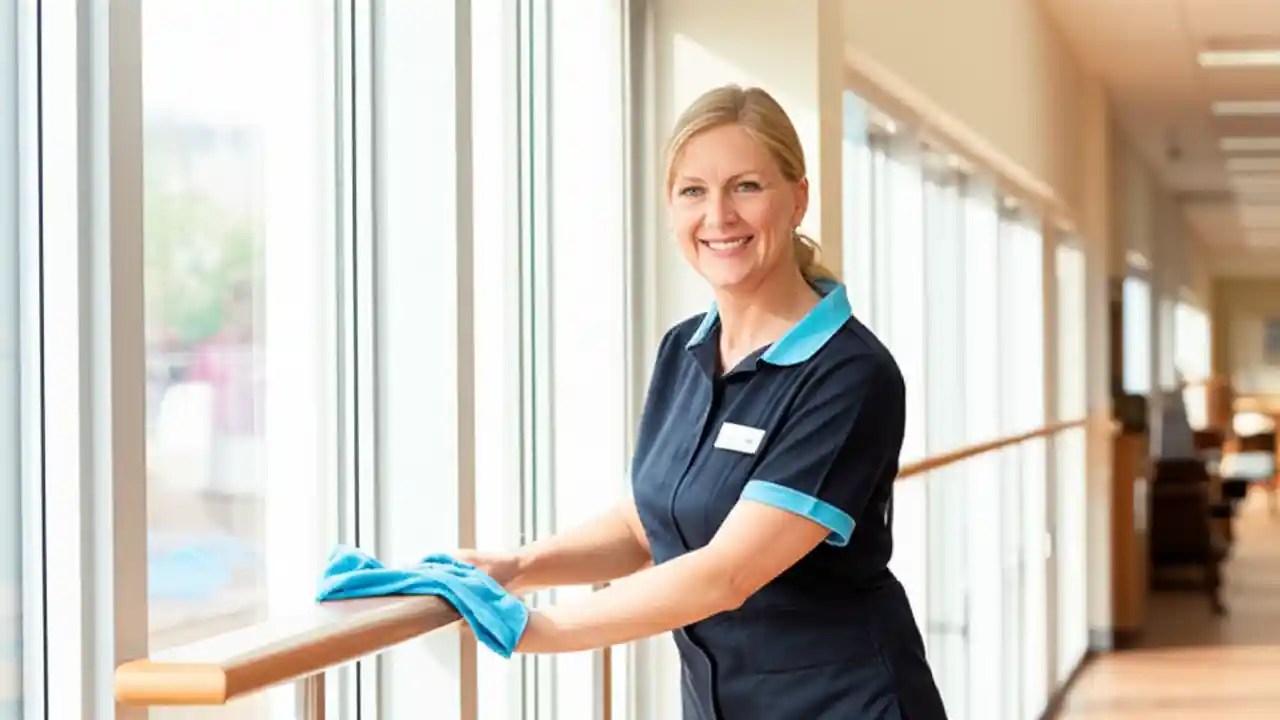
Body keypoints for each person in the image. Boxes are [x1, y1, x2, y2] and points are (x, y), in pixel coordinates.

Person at [458, 84, 947, 719]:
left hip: (846, 704)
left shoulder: (848, 374)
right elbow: (648, 522)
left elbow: (726, 574)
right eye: (693, 191)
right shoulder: (683, 351)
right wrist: (520, 565)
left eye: (746, 186)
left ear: (798, 198)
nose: (718, 217)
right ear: (670, 208)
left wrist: (539, 630)